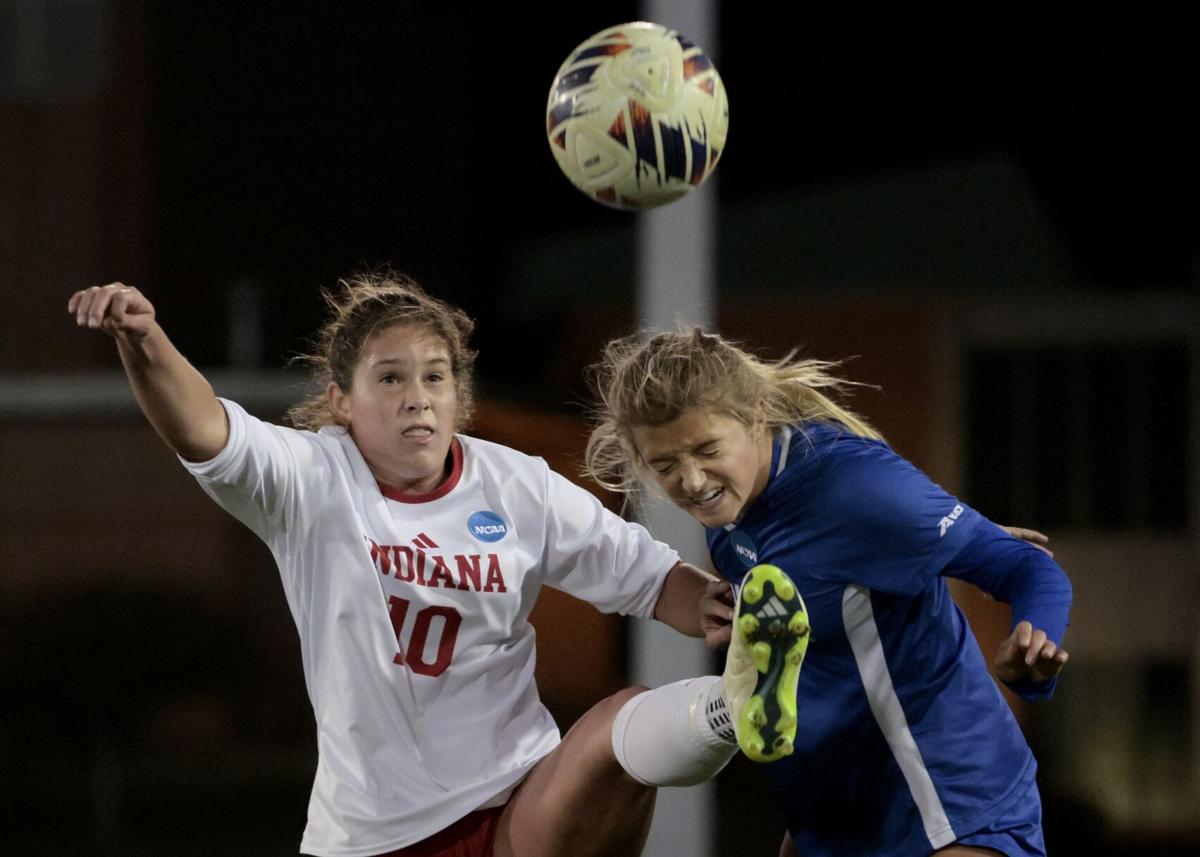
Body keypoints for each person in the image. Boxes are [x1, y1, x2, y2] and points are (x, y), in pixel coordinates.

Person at [67, 273, 807, 857]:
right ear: (340, 400)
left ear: (460, 395)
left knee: (619, 725)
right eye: (390, 378)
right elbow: (203, 427)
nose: (416, 398)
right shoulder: (311, 481)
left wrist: (738, 607)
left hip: (519, 810)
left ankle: (735, 705)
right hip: (368, 835)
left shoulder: (518, 486)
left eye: (435, 377)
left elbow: (657, 582)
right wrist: (145, 338)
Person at [584, 328, 1073, 857]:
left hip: (949, 799)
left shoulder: (859, 491)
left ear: (757, 415)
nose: (693, 480)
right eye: (665, 466)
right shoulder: (728, 516)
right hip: (835, 817)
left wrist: (1035, 645)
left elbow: (1027, 566)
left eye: (707, 450)